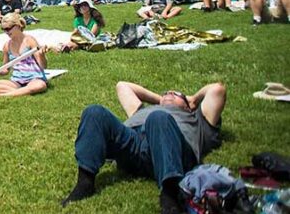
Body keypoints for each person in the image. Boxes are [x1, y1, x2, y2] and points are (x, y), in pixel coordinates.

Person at [62, 81, 226, 214]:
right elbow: (122, 86)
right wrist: (160, 100)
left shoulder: (197, 119)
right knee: (94, 112)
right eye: (166, 93)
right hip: (133, 145)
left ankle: (170, 195)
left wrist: (194, 99)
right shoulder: (142, 111)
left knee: (159, 118)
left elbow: (217, 89)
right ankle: (85, 182)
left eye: (176, 94)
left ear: (188, 105)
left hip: (172, 150)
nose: (169, 93)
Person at [0, 13, 47, 99]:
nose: (6, 32)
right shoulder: (7, 45)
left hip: (34, 78)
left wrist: (41, 55)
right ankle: (22, 91)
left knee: (40, 85)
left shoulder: (29, 40)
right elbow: (6, 69)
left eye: (8, 28)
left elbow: (43, 66)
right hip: (17, 80)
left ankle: (1, 95)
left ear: (17, 26)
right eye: (3, 29)